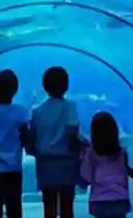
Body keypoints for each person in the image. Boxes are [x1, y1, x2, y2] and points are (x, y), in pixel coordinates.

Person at [30, 66, 82, 218]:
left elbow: (32, 137)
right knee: (67, 205)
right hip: (66, 161)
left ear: (44, 87)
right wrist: (78, 151)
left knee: (49, 205)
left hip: (45, 163)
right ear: (66, 86)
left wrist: (34, 151)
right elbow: (73, 131)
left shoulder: (37, 110)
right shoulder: (69, 106)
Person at [0, 70, 32, 218]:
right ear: (14, 90)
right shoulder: (20, 112)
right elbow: (26, 134)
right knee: (14, 206)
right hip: (12, 168)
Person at [79, 111, 133, 218]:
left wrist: (83, 156)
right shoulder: (122, 153)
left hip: (99, 201)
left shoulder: (91, 155)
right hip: (120, 200)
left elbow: (87, 177)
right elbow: (128, 173)